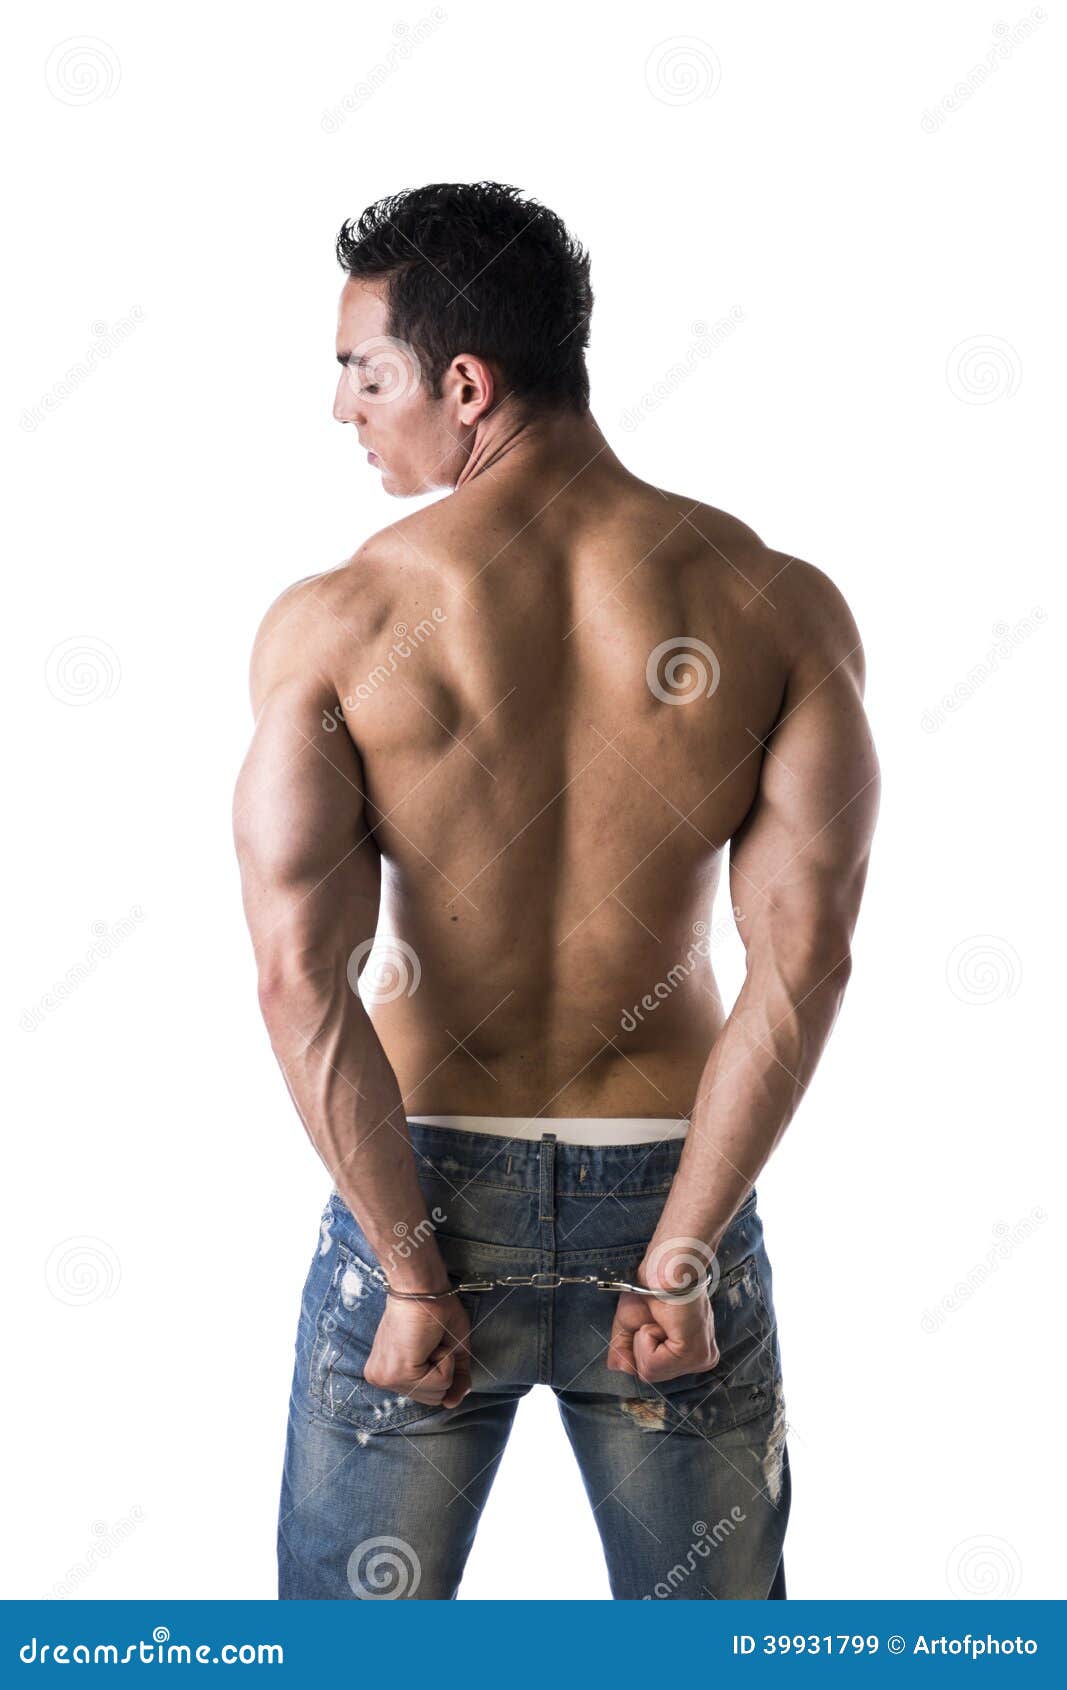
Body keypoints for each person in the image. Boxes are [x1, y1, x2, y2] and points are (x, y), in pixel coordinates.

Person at [232, 181, 880, 1601]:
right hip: (673, 1189)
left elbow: (300, 975)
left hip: (415, 1185)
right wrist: (686, 1251)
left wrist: (410, 1274)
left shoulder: (339, 622)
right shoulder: (774, 603)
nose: (344, 409)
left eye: (363, 372)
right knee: (715, 1655)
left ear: (465, 383)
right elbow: (805, 959)